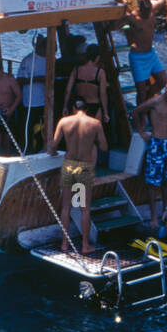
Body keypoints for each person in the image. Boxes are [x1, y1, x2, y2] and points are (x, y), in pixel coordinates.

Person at [47, 101, 108, 256]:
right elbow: (104, 147)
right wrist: (91, 142)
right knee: (84, 208)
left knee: (66, 207)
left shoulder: (64, 121)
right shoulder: (95, 123)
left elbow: (53, 146)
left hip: (69, 165)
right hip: (84, 167)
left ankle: (64, 243)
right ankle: (85, 245)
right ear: (86, 110)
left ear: (74, 108)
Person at [132, 79, 167, 230]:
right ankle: (153, 217)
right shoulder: (155, 101)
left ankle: (164, 214)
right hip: (156, 144)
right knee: (153, 183)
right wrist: (141, 131)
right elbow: (135, 112)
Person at [117, 0, 167, 104]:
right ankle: (140, 115)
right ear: (140, 9)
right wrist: (122, 15)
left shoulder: (152, 9)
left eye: (149, 12)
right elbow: (113, 27)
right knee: (141, 92)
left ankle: (147, 102)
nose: (147, 15)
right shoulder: (132, 17)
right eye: (145, 13)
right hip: (137, 57)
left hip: (151, 54)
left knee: (163, 81)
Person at [62, 43, 109, 125]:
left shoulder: (76, 70)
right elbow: (103, 94)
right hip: (95, 105)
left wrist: (65, 106)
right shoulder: (100, 72)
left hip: (79, 106)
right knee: (95, 134)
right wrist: (105, 112)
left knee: (80, 134)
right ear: (97, 57)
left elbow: (67, 90)